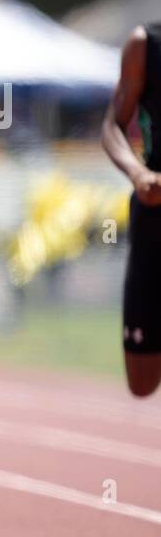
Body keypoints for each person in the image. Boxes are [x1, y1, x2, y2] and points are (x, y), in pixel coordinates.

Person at [100, 24, 161, 397]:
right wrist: (138, 173)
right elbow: (112, 125)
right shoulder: (145, 46)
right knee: (141, 381)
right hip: (154, 213)